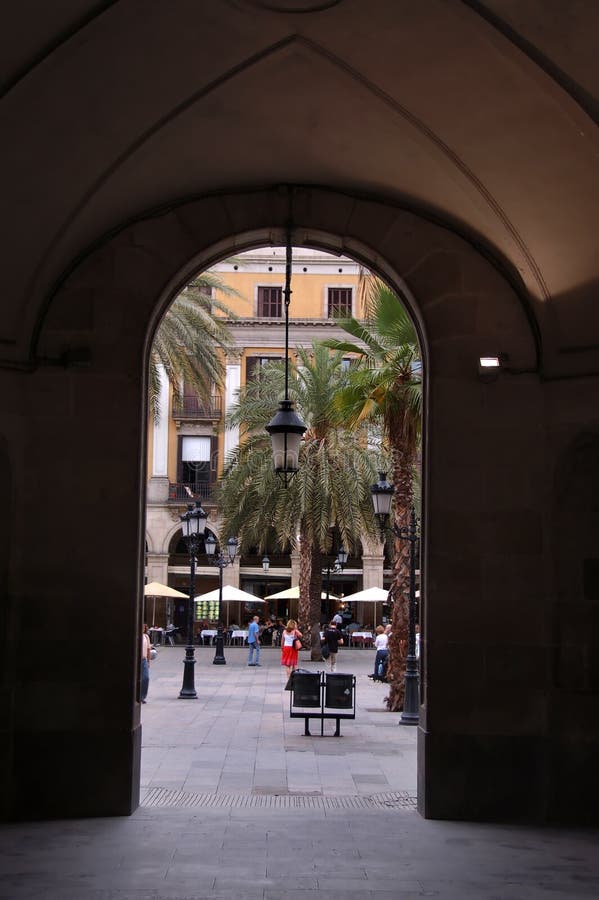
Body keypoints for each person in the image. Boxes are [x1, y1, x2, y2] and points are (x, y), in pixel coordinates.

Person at [141, 623, 151, 703]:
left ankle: (142, 696)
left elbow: (148, 649)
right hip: (136, 660)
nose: (142, 629)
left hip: (143, 660)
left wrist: (148, 661)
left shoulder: (146, 637)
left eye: (143, 628)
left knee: (146, 677)